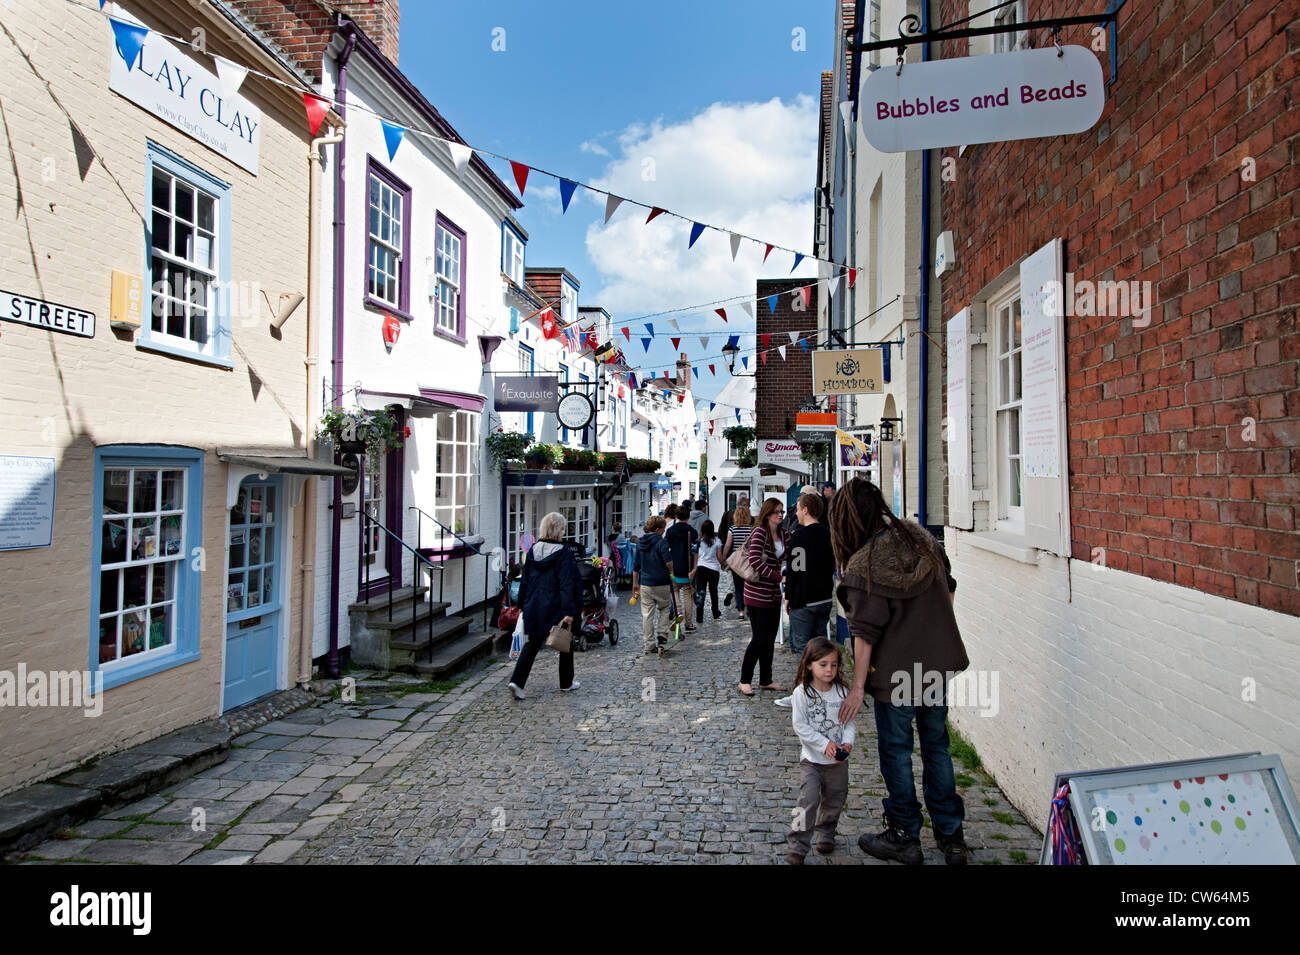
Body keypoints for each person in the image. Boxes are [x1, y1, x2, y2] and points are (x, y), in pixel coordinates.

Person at [831, 477, 970, 866]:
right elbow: (951, 586)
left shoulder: (865, 565)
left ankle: (904, 834)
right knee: (937, 747)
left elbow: (864, 634)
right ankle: (950, 834)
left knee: (896, 751)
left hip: (895, 678)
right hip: (933, 670)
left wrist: (857, 688)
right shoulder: (921, 540)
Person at [787, 637, 856, 864]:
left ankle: (827, 832)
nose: (829, 670)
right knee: (806, 801)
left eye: (834, 665)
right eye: (823, 665)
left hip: (837, 763)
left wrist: (847, 742)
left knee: (835, 799)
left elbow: (848, 722)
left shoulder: (842, 692)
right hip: (812, 761)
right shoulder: (802, 693)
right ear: (809, 665)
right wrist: (823, 744)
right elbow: (800, 726)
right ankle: (797, 844)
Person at [508, 512, 583, 699]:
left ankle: (517, 682)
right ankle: (566, 682)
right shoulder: (564, 553)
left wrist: (522, 602)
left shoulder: (533, 550)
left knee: (533, 643)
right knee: (565, 642)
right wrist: (569, 611)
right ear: (559, 529)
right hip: (556, 604)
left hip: (534, 603)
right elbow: (567, 583)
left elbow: (525, 579)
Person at [737, 497, 789, 696]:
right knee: (759, 638)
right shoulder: (760, 533)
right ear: (767, 514)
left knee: (769, 639)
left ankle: (766, 679)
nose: (780, 515)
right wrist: (779, 577)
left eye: (781, 512)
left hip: (773, 595)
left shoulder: (783, 534)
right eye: (776, 511)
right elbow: (755, 561)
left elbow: (791, 552)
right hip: (757, 594)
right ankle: (744, 680)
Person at [632, 515, 676, 655]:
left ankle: (649, 644)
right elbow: (668, 561)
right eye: (663, 529)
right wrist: (671, 571)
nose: (663, 532)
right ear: (657, 529)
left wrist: (635, 584)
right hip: (661, 582)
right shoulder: (661, 542)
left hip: (645, 583)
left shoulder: (640, 543)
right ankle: (662, 635)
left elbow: (636, 566)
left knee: (647, 614)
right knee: (664, 608)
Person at [664, 501, 698, 635]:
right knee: (688, 595)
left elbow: (665, 549)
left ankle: (678, 613)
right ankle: (689, 624)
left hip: (674, 567)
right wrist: (694, 568)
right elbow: (695, 551)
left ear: (676, 516)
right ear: (688, 516)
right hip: (688, 567)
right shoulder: (692, 531)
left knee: (675, 591)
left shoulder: (671, 531)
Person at [722, 502, 753, 618]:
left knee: (738, 587)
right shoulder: (751, 529)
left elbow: (727, 546)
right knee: (749, 586)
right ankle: (749, 609)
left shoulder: (732, 529)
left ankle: (740, 611)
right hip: (749, 561)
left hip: (737, 562)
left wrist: (724, 558)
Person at [692, 519, 723, 624]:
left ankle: (699, 617)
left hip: (701, 568)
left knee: (701, 592)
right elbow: (719, 556)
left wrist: (694, 568)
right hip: (713, 569)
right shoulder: (717, 541)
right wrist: (723, 564)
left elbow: (695, 556)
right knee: (714, 592)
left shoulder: (698, 541)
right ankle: (715, 612)